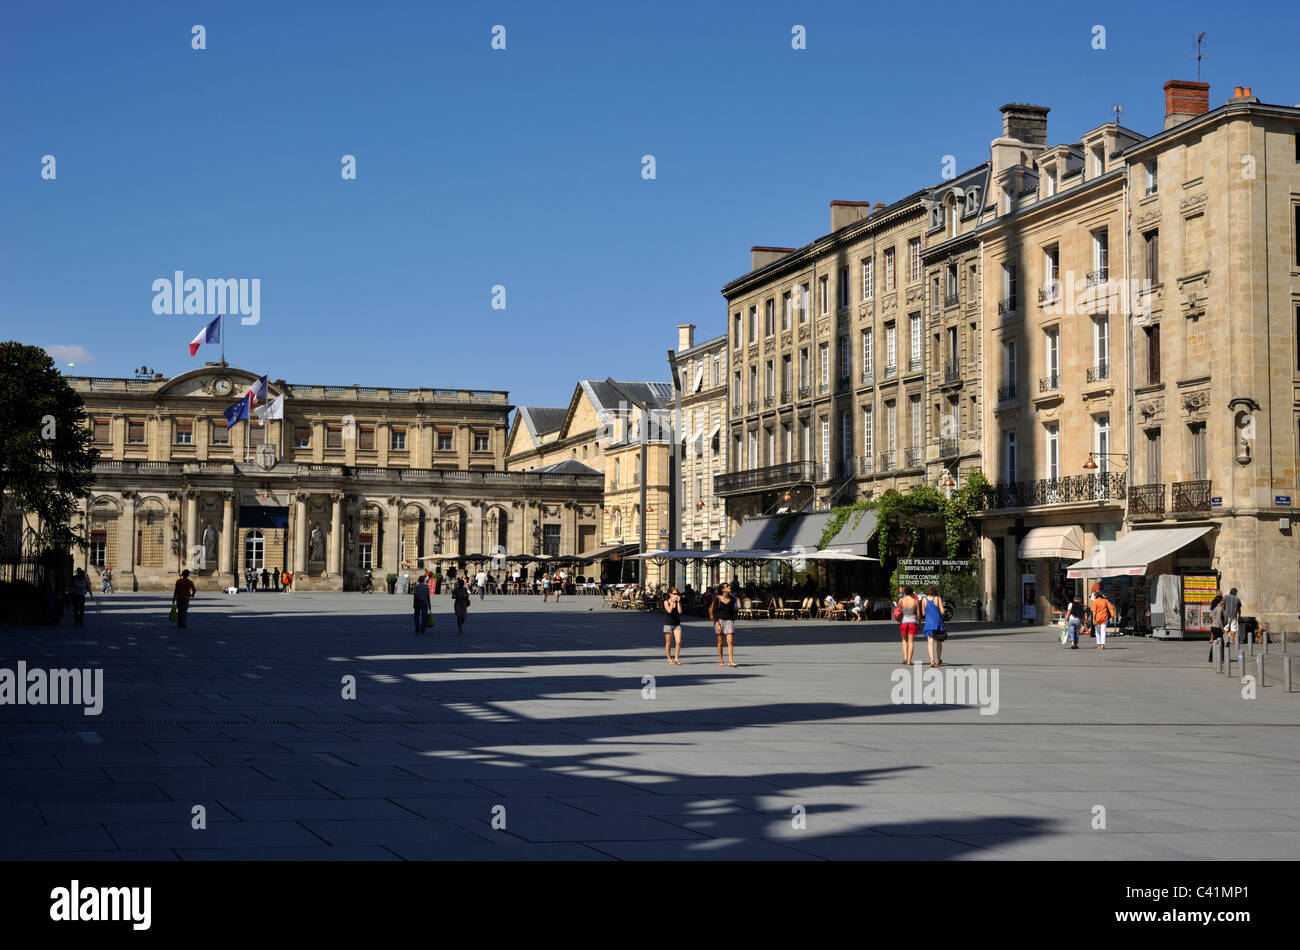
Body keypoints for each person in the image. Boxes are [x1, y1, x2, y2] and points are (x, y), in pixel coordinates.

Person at [710, 582, 738, 667]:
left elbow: (734, 610)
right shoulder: (717, 598)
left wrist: (733, 619)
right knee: (720, 642)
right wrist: (716, 623)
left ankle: (730, 660)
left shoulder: (732, 599)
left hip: (729, 621)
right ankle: (721, 660)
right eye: (727, 586)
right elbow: (714, 612)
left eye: (729, 586)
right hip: (720, 621)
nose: (729, 587)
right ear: (723, 589)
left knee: (730, 641)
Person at [921, 584, 946, 667]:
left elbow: (923, 613)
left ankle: (932, 660)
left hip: (929, 623)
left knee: (930, 641)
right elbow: (942, 611)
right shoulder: (938, 598)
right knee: (939, 642)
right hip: (938, 622)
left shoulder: (924, 600)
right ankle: (938, 659)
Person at [897, 585, 920, 665]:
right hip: (912, 622)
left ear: (905, 592)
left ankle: (905, 657)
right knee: (911, 641)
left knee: (904, 640)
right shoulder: (915, 601)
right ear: (912, 592)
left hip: (904, 622)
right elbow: (918, 614)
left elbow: (898, 611)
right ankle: (909, 660)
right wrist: (919, 624)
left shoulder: (901, 600)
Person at [663, 587, 683, 664]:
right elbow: (669, 610)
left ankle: (676, 658)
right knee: (669, 642)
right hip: (668, 624)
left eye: (677, 594)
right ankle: (669, 658)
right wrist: (672, 603)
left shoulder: (678, 601)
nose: (676, 595)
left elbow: (680, 611)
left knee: (678, 641)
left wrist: (678, 602)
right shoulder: (666, 602)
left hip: (677, 624)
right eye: (674, 594)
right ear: (670, 594)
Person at [1207, 593, 1225, 662]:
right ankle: (1222, 658)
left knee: (1215, 642)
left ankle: (1211, 658)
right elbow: (1219, 619)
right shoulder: (1220, 608)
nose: (1224, 601)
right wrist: (1222, 628)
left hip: (1213, 627)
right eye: (1223, 600)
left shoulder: (1214, 607)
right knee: (1222, 644)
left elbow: (1211, 616)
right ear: (1220, 601)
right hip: (1217, 627)